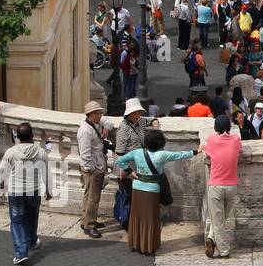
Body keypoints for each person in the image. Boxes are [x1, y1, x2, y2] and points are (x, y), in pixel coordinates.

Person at [116, 127, 198, 256]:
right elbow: (180, 155)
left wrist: (130, 172)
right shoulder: (162, 155)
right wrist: (196, 151)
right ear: (160, 143)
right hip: (152, 190)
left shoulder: (137, 153)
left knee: (137, 216)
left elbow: (120, 160)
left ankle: (136, 243)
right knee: (151, 218)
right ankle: (148, 246)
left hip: (137, 188)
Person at [0, 122, 53, 264]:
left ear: (17, 137)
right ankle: (32, 242)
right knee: (32, 217)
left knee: (17, 222)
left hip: (15, 192)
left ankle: (21, 252)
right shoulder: (41, 152)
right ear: (32, 136)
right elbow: (46, 174)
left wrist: (2, 184)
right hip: (33, 191)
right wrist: (48, 190)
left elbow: (2, 172)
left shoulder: (11, 152)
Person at [201, 113, 242, 259]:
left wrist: (202, 146)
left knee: (218, 221)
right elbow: (240, 150)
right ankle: (211, 239)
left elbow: (206, 150)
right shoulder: (236, 140)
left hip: (216, 185)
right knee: (222, 218)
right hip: (232, 186)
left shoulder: (212, 140)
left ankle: (223, 251)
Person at [76, 100, 109, 238]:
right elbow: (85, 154)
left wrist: (106, 127)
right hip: (93, 168)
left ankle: (86, 220)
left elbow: (109, 121)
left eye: (100, 112)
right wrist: (92, 170)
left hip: (95, 166)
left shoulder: (95, 124)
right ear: (90, 115)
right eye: (97, 113)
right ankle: (90, 225)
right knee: (93, 198)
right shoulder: (85, 131)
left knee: (89, 195)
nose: (100, 115)